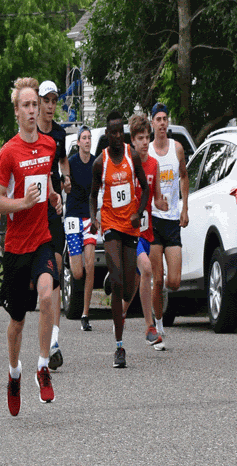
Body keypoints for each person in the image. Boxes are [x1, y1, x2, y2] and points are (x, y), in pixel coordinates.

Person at [0, 77, 60, 413]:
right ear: (17, 111)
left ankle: (43, 366)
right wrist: (24, 203)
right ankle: (15, 372)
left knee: (47, 294)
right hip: (17, 247)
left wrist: (53, 195)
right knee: (17, 320)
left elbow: (44, 181)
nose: (33, 111)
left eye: (36, 105)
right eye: (27, 106)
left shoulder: (48, 145)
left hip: (42, 240)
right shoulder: (7, 153)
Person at [89, 111, 150, 369]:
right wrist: (94, 218)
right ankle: (119, 346)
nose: (116, 136)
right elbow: (93, 195)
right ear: (106, 135)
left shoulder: (131, 155)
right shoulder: (100, 163)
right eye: (112, 132)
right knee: (117, 282)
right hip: (111, 224)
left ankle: (116, 279)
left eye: (120, 132)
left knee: (126, 289)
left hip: (130, 225)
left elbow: (145, 187)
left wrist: (139, 212)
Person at [122, 115, 167, 349]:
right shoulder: (126, 164)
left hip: (147, 231)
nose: (145, 142)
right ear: (132, 140)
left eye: (147, 138)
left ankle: (119, 316)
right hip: (130, 232)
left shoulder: (154, 165)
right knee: (147, 270)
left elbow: (156, 198)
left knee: (137, 281)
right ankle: (150, 328)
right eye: (140, 138)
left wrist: (162, 204)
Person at [147, 102, 189, 339]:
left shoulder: (177, 149)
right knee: (158, 278)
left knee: (173, 282)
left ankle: (159, 301)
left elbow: (184, 176)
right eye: (158, 119)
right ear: (152, 123)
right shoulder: (148, 151)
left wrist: (185, 207)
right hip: (153, 220)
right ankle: (159, 325)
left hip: (172, 219)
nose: (162, 123)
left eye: (165, 119)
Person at [37, 80, 70, 370]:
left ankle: (55, 338)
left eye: (53, 100)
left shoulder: (59, 133)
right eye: (45, 100)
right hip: (33, 204)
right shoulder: (32, 132)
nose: (49, 106)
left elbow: (62, 163)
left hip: (54, 203)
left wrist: (66, 178)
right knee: (40, 269)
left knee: (56, 266)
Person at [63, 126, 95, 331]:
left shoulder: (95, 162)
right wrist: (64, 185)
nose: (87, 141)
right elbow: (63, 184)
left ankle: (85, 313)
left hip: (89, 217)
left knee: (90, 266)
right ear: (78, 143)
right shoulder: (72, 162)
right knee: (78, 272)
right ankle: (68, 262)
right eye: (84, 138)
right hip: (73, 217)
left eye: (89, 138)